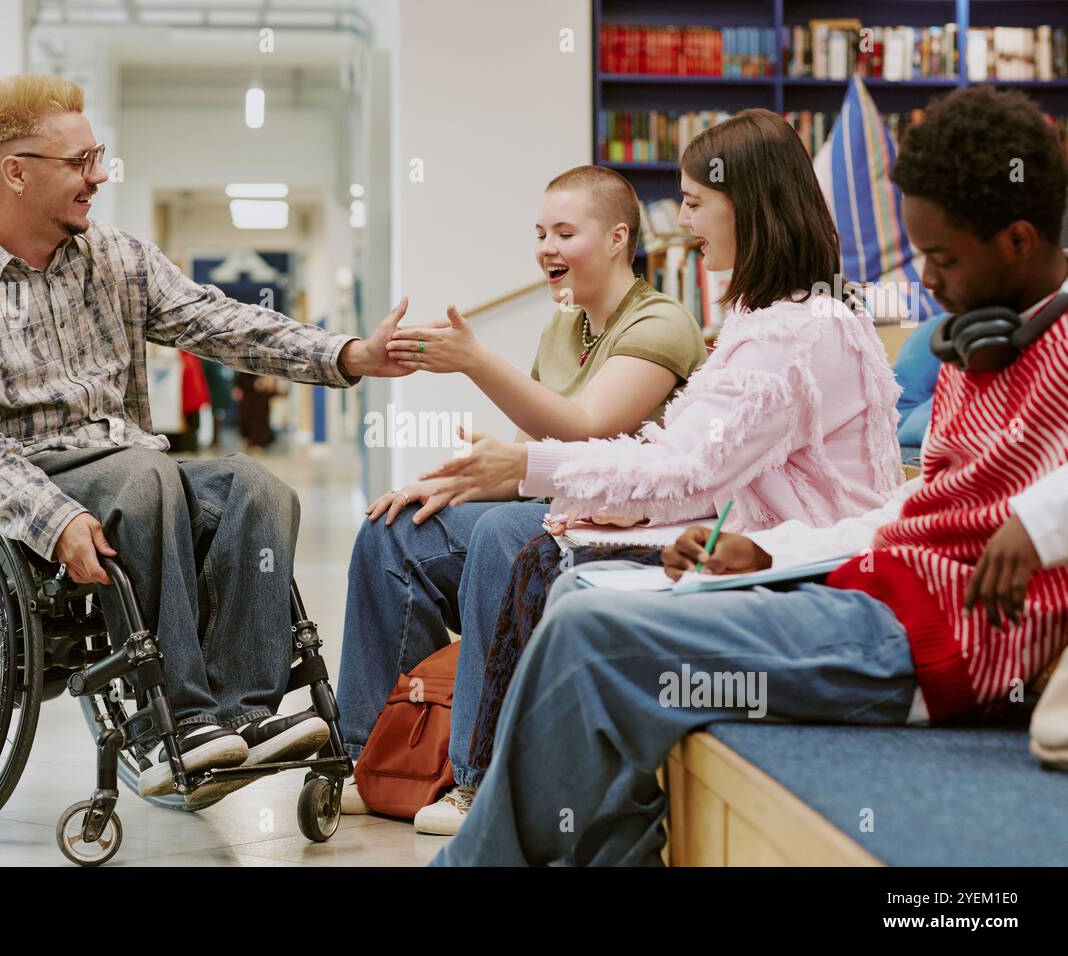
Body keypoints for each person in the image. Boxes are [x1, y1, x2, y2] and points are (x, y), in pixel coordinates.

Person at [433, 85, 1068, 865]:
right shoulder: (980, 349)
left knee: (591, 631)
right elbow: (898, 516)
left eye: (941, 259)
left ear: (1017, 241)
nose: (928, 284)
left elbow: (686, 469)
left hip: (931, 642)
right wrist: (773, 552)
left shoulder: (1050, 349)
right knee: (577, 607)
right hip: (869, 591)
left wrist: (1041, 523)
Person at [0, 74, 411, 804]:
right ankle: (179, 719)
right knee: (143, 477)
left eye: (97, 156)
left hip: (136, 470)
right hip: (34, 478)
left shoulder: (116, 258)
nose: (98, 176)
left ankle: (242, 714)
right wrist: (56, 516)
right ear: (16, 171)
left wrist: (346, 354)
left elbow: (220, 322)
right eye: (79, 162)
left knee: (256, 489)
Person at [413, 108, 905, 832]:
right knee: (523, 540)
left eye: (696, 203)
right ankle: (486, 782)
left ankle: (502, 789)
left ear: (750, 203)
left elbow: (685, 469)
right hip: (761, 533)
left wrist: (530, 468)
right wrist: (574, 486)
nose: (682, 221)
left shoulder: (794, 331)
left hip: (798, 555)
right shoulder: (775, 316)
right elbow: (689, 457)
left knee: (534, 552)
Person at [336, 166, 707, 825]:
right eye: (540, 233)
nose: (547, 248)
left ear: (619, 237)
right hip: (549, 510)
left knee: (501, 531)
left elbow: (587, 430)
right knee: (393, 530)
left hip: (618, 528)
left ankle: (480, 778)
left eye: (566, 232)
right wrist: (442, 485)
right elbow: (519, 461)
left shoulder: (663, 322)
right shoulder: (562, 329)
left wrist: (477, 361)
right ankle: (376, 758)